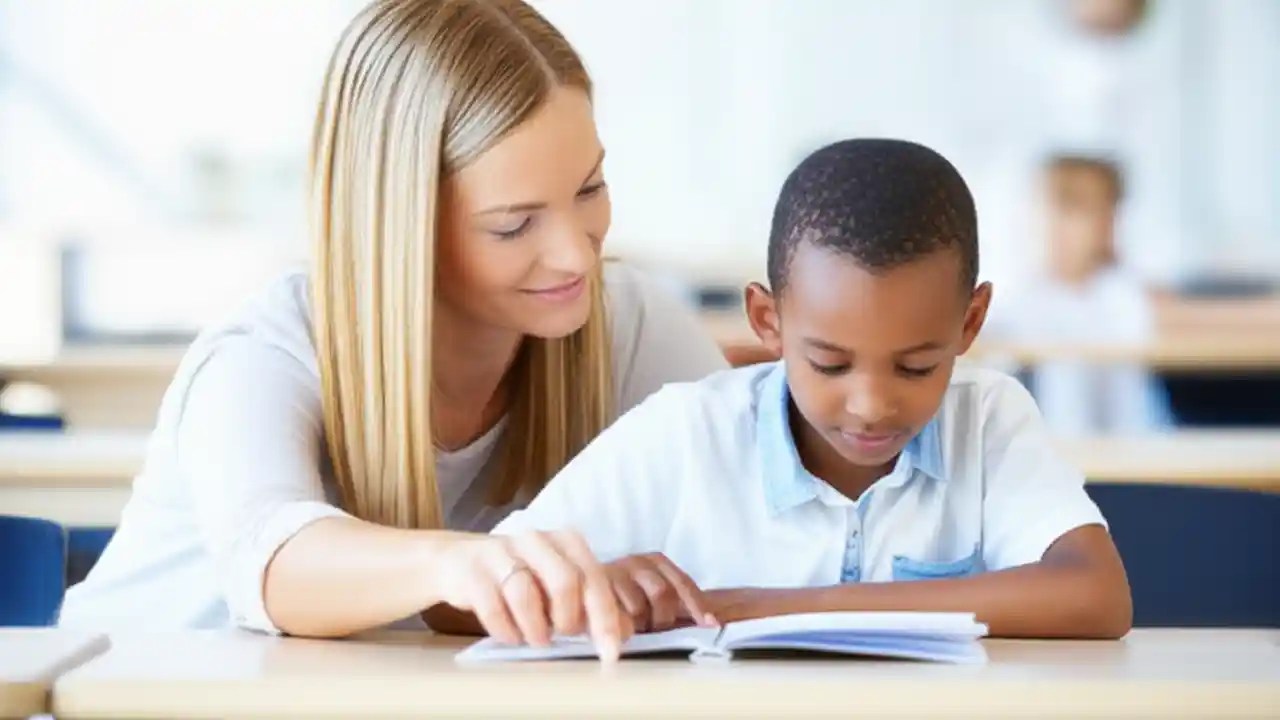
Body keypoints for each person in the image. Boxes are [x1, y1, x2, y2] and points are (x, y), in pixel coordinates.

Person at [58, 0, 728, 659]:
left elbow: (757, 484)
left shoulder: (628, 323)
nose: (576, 256)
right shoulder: (264, 351)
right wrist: (466, 563)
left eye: (589, 189)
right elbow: (275, 561)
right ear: (405, 225)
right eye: (513, 225)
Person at [493, 139, 1134, 639]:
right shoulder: (688, 431)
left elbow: (1096, 594)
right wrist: (595, 587)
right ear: (767, 320)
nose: (871, 405)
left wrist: (774, 608)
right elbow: (478, 589)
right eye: (829, 364)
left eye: (916, 367)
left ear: (970, 323)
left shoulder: (987, 420)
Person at [987, 154, 1171, 434]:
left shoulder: (1123, 297)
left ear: (1109, 222)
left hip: (1121, 446)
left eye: (1074, 210)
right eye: (1044, 207)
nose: (1054, 223)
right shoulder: (1015, 298)